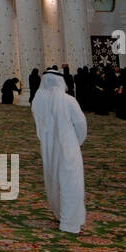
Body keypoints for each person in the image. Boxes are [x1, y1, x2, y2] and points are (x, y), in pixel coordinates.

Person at [32, 69, 88, 233]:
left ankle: (59, 213)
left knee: (54, 180)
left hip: (49, 147)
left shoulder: (38, 101)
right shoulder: (69, 101)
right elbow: (81, 124)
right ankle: (70, 222)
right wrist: (77, 142)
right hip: (68, 145)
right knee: (71, 182)